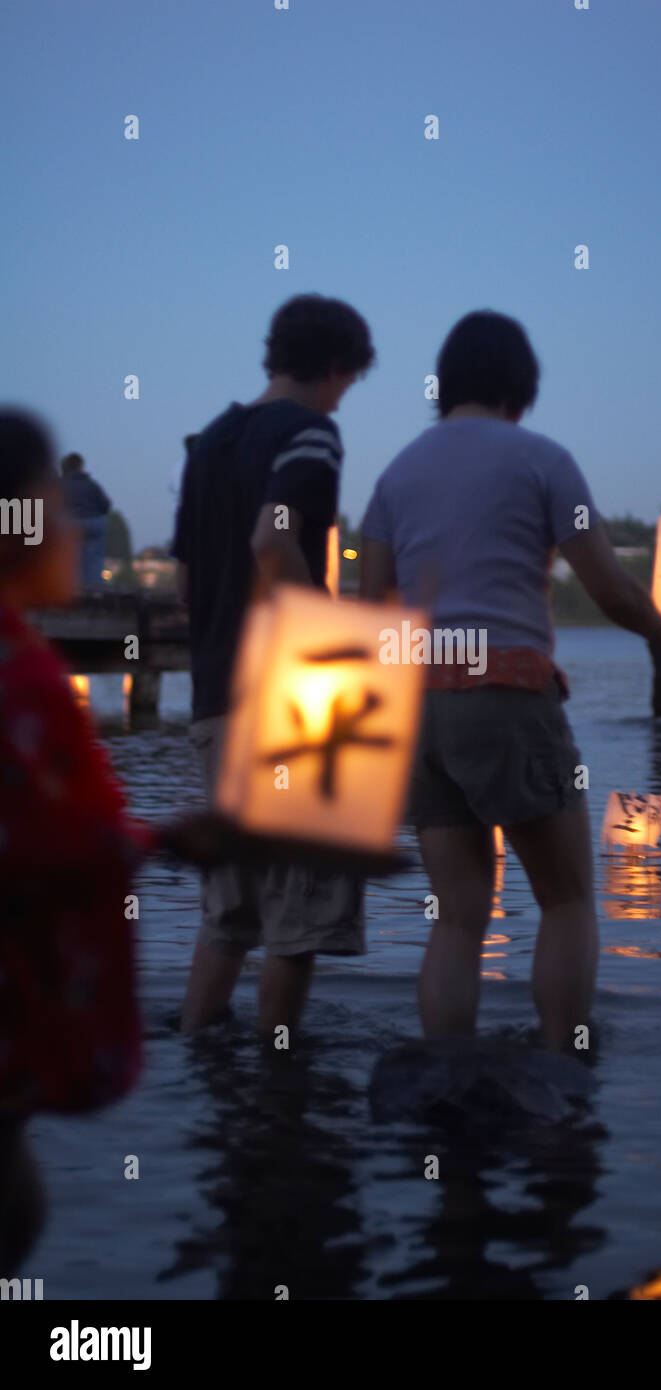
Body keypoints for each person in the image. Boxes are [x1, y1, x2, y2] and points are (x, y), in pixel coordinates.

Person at [360, 310, 661, 1052]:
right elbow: (610, 590)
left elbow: (370, 611)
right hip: (511, 693)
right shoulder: (545, 462)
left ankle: (446, 1078)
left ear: (444, 386)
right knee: (569, 898)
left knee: (457, 915)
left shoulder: (394, 476)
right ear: (523, 388)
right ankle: (563, 1068)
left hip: (420, 706)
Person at [0, 410, 235, 1275]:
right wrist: (166, 840)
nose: (75, 530)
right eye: (55, 508)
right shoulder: (17, 674)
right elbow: (43, 839)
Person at [171, 294, 375, 1037]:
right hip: (290, 702)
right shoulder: (310, 435)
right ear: (335, 368)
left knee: (229, 911)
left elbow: (189, 584)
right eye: (349, 384)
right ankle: (279, 1089)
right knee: (298, 916)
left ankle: (198, 1055)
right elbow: (272, 537)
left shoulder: (207, 446)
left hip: (214, 701)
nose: (343, 400)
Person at [59, 452, 111, 588]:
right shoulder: (92, 485)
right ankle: (94, 588)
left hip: (70, 525)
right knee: (93, 558)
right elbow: (105, 505)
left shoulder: (59, 485)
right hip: (93, 523)